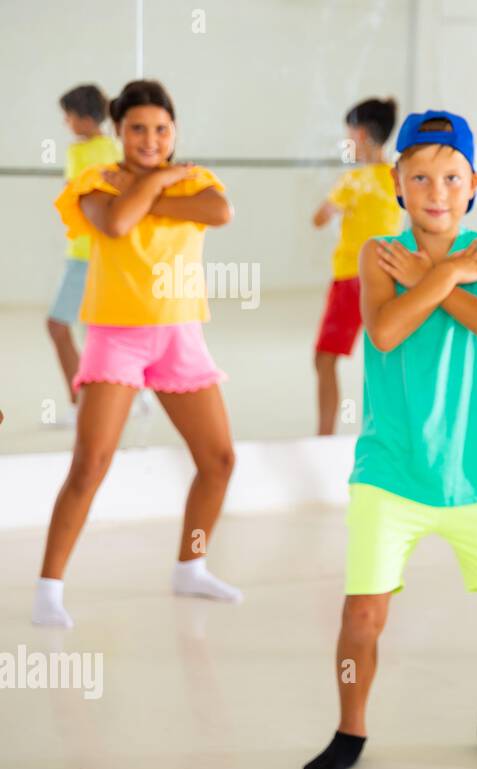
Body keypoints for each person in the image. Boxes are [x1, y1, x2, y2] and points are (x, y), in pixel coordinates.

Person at [303, 111, 477, 769]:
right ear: (398, 183)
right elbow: (384, 332)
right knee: (362, 615)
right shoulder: (379, 252)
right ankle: (349, 728)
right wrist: (442, 278)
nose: (436, 191)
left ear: (473, 182)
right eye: (421, 178)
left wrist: (433, 279)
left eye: (450, 177)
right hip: (391, 470)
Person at [35, 79, 240, 630]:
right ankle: (49, 587)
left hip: (180, 335)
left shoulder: (195, 177)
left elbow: (219, 211)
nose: (151, 139)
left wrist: (155, 183)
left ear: (174, 131)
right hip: (117, 335)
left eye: (162, 129)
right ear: (118, 132)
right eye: (138, 129)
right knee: (91, 464)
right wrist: (165, 188)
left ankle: (190, 566)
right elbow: (117, 222)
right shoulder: (94, 179)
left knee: (218, 461)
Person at [311, 97, 404, 435]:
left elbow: (319, 218)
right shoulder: (398, 178)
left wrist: (334, 210)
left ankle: (324, 434)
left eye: (348, 135)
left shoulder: (353, 181)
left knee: (324, 359)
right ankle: (383, 429)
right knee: (383, 360)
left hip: (352, 279)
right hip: (392, 278)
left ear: (361, 135)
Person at [46, 84, 122, 424]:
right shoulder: (111, 149)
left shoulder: (87, 152)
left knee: (60, 326)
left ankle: (83, 406)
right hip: (95, 253)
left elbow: (81, 200)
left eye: (70, 115)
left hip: (90, 255)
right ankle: (114, 401)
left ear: (86, 117)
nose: (66, 122)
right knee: (96, 333)